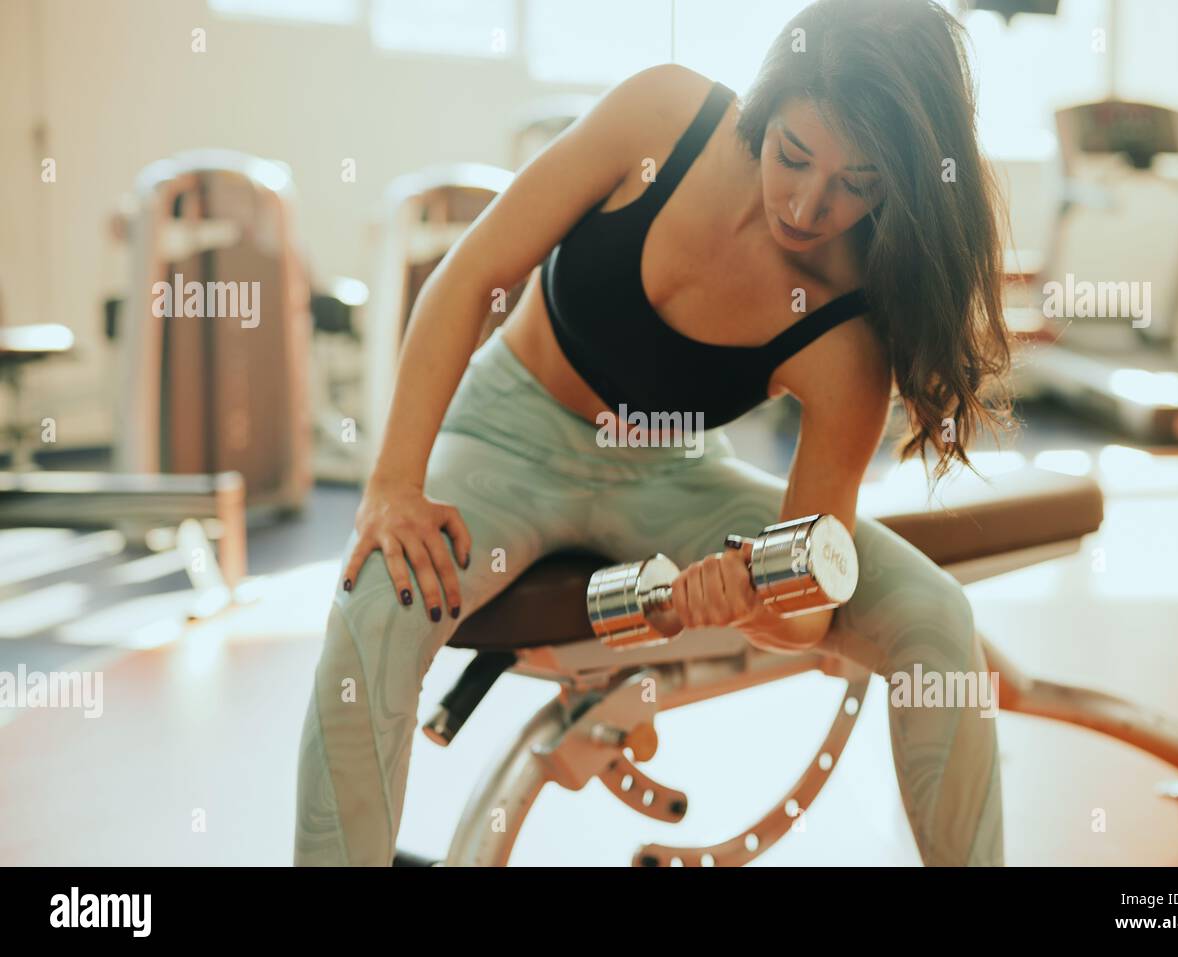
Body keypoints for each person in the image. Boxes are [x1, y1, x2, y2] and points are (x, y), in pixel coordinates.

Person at [294, 0, 1017, 867]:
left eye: (857, 184)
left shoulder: (847, 328)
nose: (808, 202)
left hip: (670, 474)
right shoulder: (663, 119)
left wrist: (755, 595)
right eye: (794, 155)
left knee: (937, 613)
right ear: (766, 102)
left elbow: (812, 595)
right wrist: (393, 485)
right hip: (508, 435)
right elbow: (472, 274)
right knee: (380, 598)